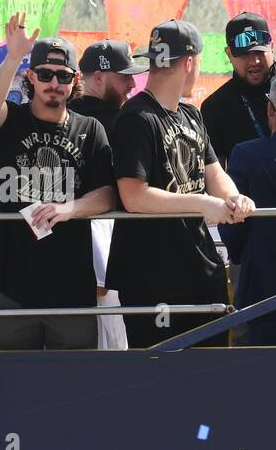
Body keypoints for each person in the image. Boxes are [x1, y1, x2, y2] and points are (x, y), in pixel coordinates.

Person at [107, 19, 254, 349]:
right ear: (190, 62)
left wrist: (234, 199)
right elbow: (134, 196)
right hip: (153, 273)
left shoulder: (192, 113)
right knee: (159, 379)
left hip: (199, 265)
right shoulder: (136, 116)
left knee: (209, 372)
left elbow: (214, 172)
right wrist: (203, 203)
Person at [0, 16, 117, 350]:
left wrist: (70, 208)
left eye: (63, 76)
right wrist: (13, 56)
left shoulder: (91, 128)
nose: (53, 83)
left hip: (71, 282)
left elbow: (107, 194)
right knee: (13, 382)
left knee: (73, 384)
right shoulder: (11, 120)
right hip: (13, 280)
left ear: (74, 81)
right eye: (45, 74)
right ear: (31, 77)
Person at [67, 40, 145, 351]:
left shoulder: (132, 117)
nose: (131, 83)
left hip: (110, 243)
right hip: (81, 242)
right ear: (98, 76)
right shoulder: (65, 119)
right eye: (124, 75)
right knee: (111, 346)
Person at [222, 71, 276, 345]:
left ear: (270, 108)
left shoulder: (245, 154)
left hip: (260, 288)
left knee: (254, 378)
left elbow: (231, 224)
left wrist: (240, 254)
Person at [200, 12, 274, 166]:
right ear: (229, 54)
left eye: (260, 51)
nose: (255, 61)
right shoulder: (214, 106)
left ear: (272, 47)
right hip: (243, 190)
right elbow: (216, 172)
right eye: (245, 54)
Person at [68, 39, 145, 135]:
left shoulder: (62, 113)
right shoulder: (123, 124)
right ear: (99, 78)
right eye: (125, 76)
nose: (133, 84)